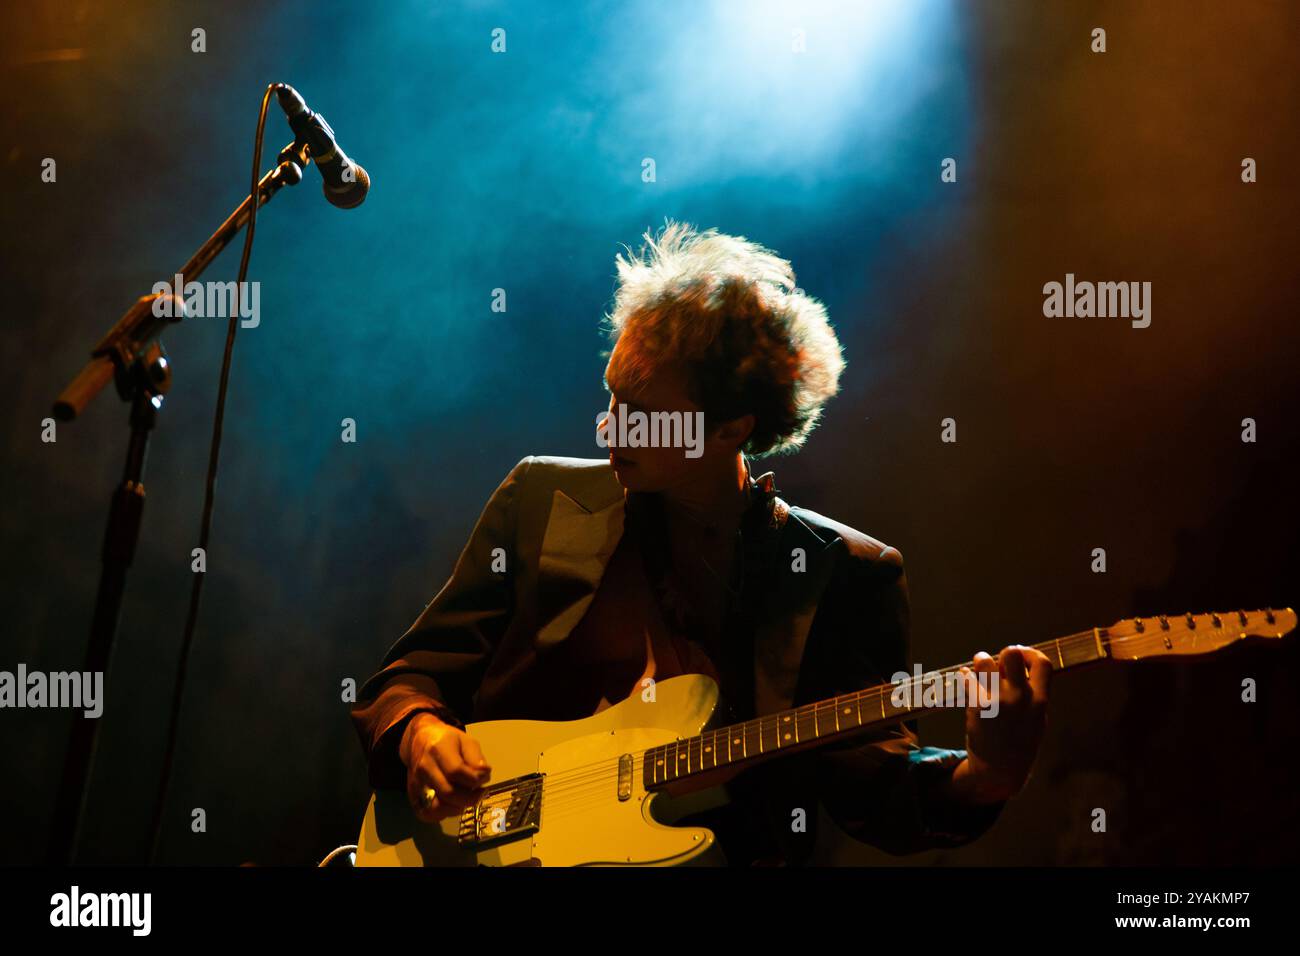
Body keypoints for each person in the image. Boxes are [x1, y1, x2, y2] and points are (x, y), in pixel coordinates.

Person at [350, 221, 1050, 865]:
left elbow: (869, 784)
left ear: (730, 430)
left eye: (643, 414)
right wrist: (420, 731)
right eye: (610, 397)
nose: (609, 430)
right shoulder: (542, 499)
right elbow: (411, 675)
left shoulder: (842, 573)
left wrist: (983, 777)